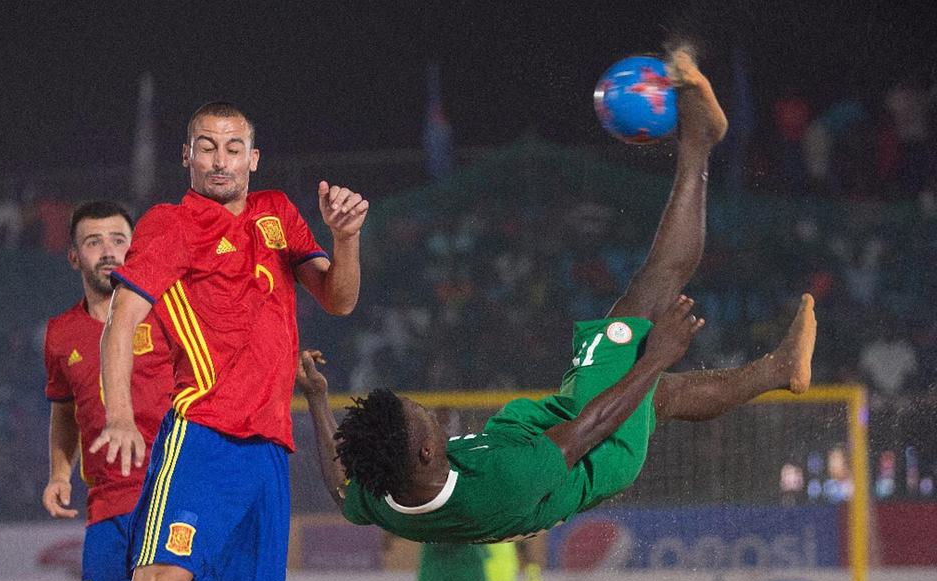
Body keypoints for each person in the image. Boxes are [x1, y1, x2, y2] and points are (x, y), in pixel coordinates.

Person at [295, 51, 818, 544]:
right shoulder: (500, 484)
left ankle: (778, 370)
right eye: (420, 414)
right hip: (595, 451)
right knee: (652, 290)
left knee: (663, 396)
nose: (425, 408)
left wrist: (318, 399)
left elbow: (343, 491)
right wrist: (656, 356)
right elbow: (591, 426)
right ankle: (699, 142)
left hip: (536, 435)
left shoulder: (384, 491)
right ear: (427, 450)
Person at [84, 103, 367, 581]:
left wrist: (346, 238)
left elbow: (339, 299)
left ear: (252, 158)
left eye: (233, 147)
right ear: (187, 156)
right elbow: (122, 318)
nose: (220, 159)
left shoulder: (278, 214)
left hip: (269, 450)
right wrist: (120, 414)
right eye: (206, 147)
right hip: (202, 440)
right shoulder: (170, 223)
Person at [42, 201, 208, 581]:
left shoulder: (166, 312)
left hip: (164, 494)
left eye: (118, 239)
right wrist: (59, 471)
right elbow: (65, 412)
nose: (108, 250)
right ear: (74, 257)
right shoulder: (60, 333)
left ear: (134, 248)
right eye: (94, 241)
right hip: (105, 508)